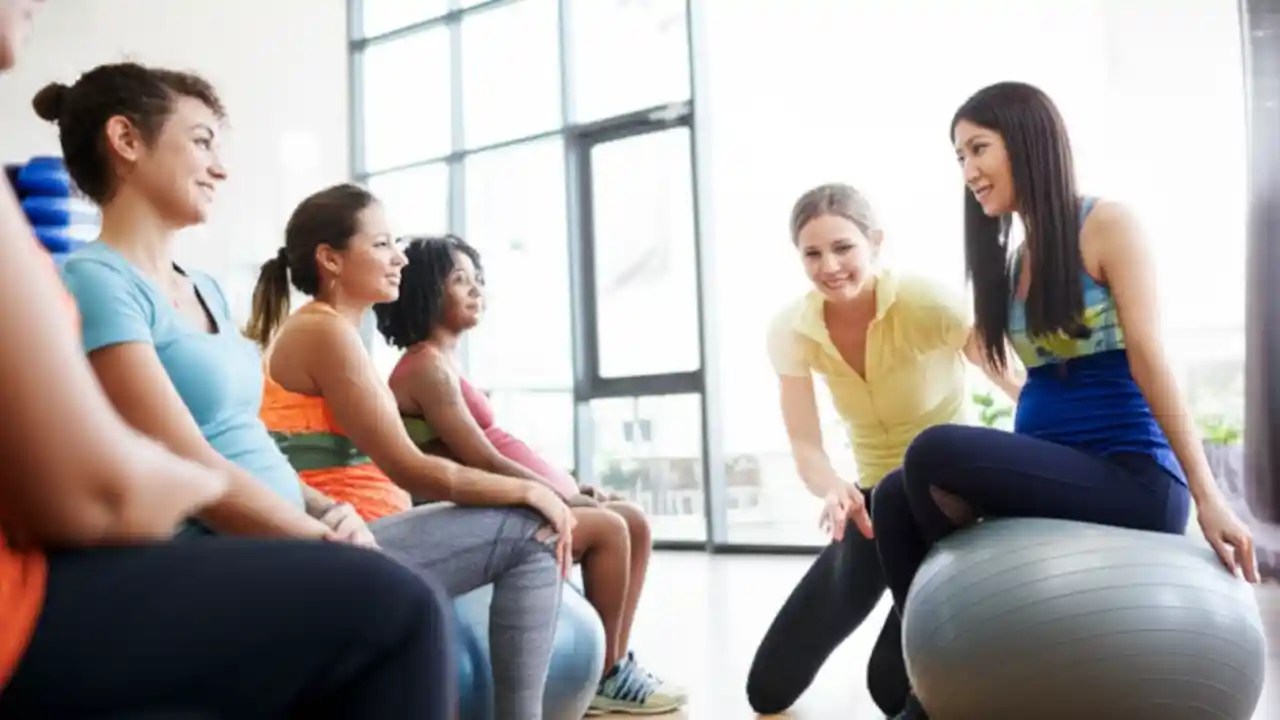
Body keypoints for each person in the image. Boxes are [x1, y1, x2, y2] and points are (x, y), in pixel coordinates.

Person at [0, 4, 456, 718]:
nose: (221, 165)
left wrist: (324, 509)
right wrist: (316, 543)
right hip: (197, 539)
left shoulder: (207, 287)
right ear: (125, 139)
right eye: (202, 141)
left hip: (276, 519)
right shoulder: (94, 279)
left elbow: (243, 439)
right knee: (402, 608)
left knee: (405, 598)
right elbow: (171, 473)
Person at [870, 81, 1259, 720]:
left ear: (1025, 142)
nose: (968, 171)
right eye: (959, 158)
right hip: (1061, 471)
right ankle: (934, 682)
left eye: (978, 149)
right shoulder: (1017, 257)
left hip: (1131, 477)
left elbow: (1150, 358)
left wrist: (1209, 494)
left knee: (932, 452)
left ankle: (923, 698)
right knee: (889, 495)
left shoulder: (1106, 224)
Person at [250, 183, 577, 720]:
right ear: (330, 259)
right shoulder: (324, 334)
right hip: (341, 548)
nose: (400, 257)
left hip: (370, 532)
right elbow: (412, 468)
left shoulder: (334, 333)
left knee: (527, 517)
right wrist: (532, 491)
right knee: (531, 529)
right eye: (381, 245)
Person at [373, 234, 687, 716]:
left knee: (634, 518)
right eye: (461, 280)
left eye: (479, 279)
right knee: (611, 528)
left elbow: (502, 449)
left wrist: (572, 488)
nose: (477, 289)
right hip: (485, 510)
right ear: (426, 292)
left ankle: (614, 664)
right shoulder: (424, 368)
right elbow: (480, 458)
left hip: (515, 497)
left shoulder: (444, 364)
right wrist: (553, 497)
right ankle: (604, 675)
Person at [745, 183, 998, 717]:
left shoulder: (928, 303)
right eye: (812, 253)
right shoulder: (793, 329)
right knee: (767, 688)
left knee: (888, 686)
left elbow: (1010, 377)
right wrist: (833, 488)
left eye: (843, 247)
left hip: (945, 502)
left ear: (875, 242)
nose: (829, 266)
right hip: (871, 505)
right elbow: (805, 443)